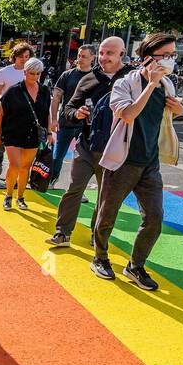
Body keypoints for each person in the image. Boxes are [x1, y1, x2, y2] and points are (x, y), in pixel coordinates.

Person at [89, 33, 183, 288]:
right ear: (147, 59)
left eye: (172, 55)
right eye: (164, 56)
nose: (170, 61)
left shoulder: (167, 85)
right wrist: (151, 85)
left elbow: (165, 118)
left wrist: (179, 110)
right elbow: (128, 114)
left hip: (150, 162)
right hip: (123, 160)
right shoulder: (125, 84)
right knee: (107, 213)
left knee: (154, 217)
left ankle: (136, 266)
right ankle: (100, 256)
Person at [47, 36, 130, 248]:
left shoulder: (132, 78)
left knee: (106, 196)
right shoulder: (88, 78)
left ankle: (97, 235)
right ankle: (62, 232)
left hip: (114, 148)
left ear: (122, 53)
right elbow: (68, 109)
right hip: (86, 144)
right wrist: (77, 114)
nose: (103, 58)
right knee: (74, 188)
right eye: (101, 53)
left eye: (109, 53)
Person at [0, 57, 54, 211]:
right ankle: (8, 195)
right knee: (15, 165)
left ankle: (20, 197)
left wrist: (49, 132)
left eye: (38, 74)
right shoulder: (14, 90)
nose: (34, 76)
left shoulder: (45, 91)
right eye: (31, 73)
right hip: (13, 133)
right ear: (25, 72)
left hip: (33, 135)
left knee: (25, 167)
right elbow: (0, 113)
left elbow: (47, 113)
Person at [49, 45, 94, 187]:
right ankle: (51, 181)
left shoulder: (96, 76)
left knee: (84, 159)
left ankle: (78, 189)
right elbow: (56, 98)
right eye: (79, 55)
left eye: (84, 56)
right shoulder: (67, 75)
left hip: (86, 124)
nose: (80, 59)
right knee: (58, 155)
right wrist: (54, 119)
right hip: (66, 122)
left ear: (93, 58)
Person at [0, 42, 33, 177]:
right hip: (5, 114)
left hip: (24, 116)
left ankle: (14, 172)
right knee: (1, 143)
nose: (24, 59)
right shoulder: (4, 72)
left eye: (27, 56)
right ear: (15, 56)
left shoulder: (31, 73)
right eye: (21, 56)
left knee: (19, 146)